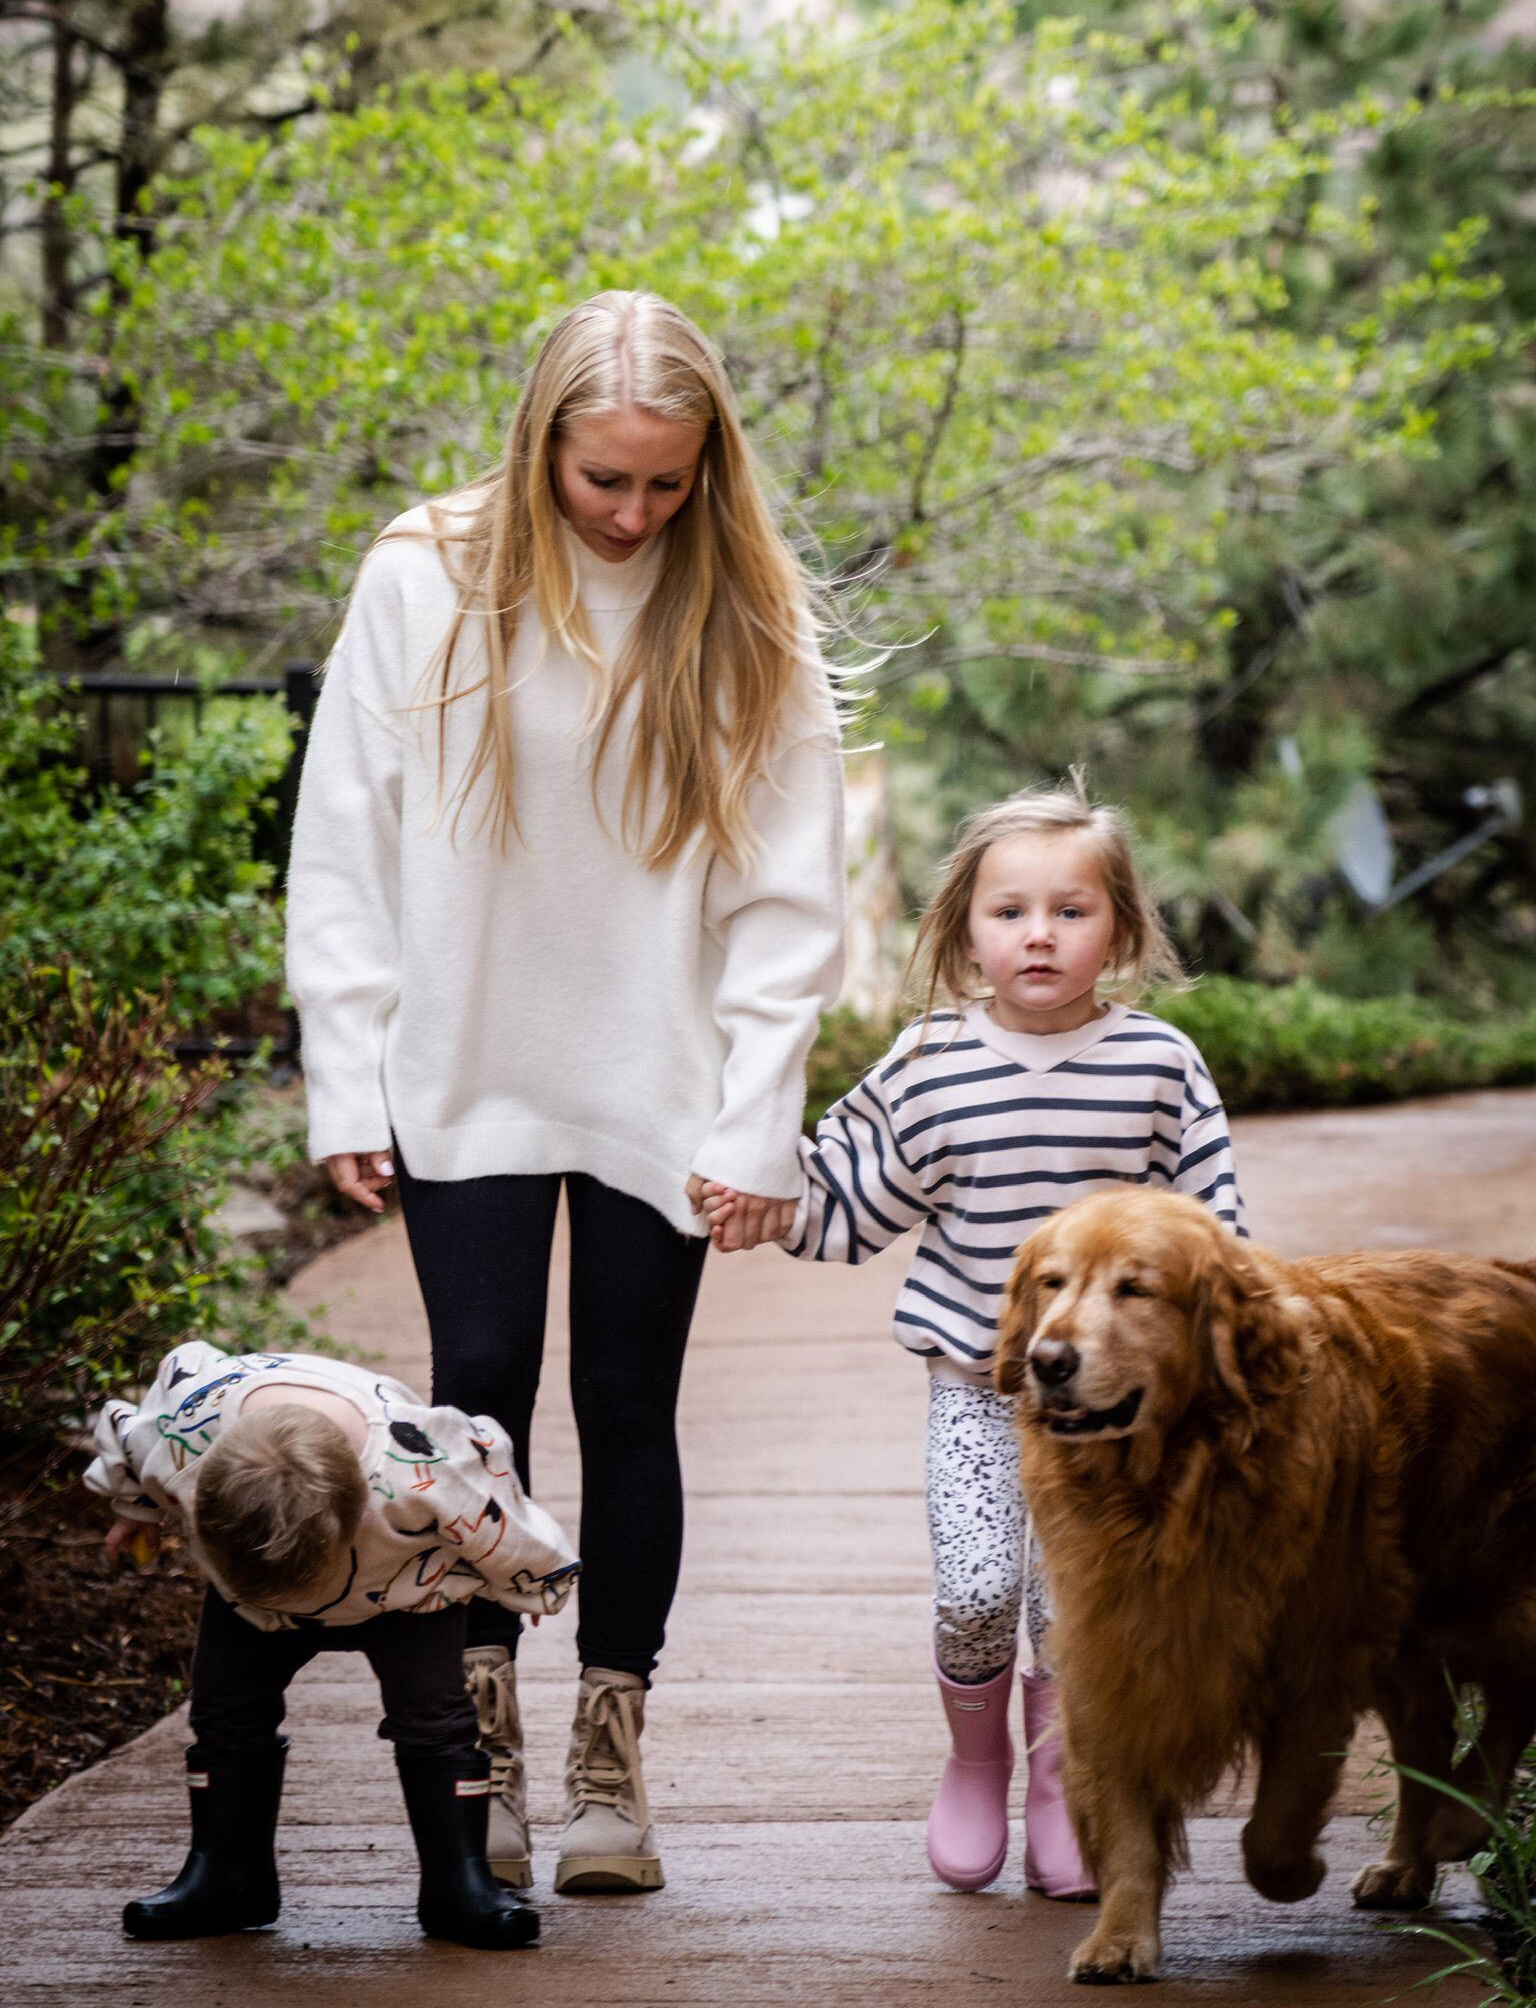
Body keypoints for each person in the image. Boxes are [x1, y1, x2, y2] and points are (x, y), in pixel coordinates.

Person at [286, 290, 846, 1894]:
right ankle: (484, 1753)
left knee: (627, 1401)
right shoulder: (424, 574)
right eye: (604, 477)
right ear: (542, 441)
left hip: (657, 1076)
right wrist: (347, 1076)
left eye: (668, 482)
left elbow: (788, 898)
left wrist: (755, 1121)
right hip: (463, 1059)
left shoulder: (744, 607)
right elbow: (347, 836)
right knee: (474, 1396)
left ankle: (612, 1755)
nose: (632, 513)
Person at [701, 781, 1246, 1900]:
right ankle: (975, 1758)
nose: (1039, 934)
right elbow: (850, 1196)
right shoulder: (931, 1061)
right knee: (977, 1591)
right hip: (976, 1389)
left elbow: (1215, 1234)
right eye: (1009, 911)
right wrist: (762, 1193)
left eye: (1071, 910)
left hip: (1111, 1409)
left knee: (1069, 1606)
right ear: (963, 931)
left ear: (1121, 930)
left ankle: (1060, 1780)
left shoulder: (1158, 1064)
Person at [85, 1337, 579, 1949]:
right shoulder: (189, 1428)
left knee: (435, 1717)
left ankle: (459, 1884)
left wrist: (532, 1578)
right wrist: (135, 1507)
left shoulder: (416, 1465)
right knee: (225, 1706)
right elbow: (138, 1426)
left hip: (403, 1588)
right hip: (252, 1593)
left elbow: (492, 1498)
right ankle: (228, 1876)